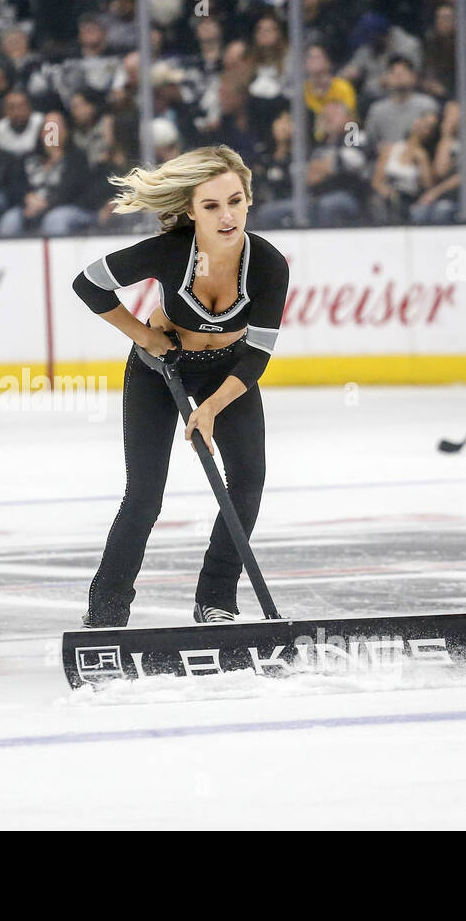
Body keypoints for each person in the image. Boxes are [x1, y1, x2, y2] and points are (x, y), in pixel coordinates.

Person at [71, 145, 289, 627]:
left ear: (249, 200)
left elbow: (257, 356)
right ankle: (106, 614)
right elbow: (88, 284)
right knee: (145, 495)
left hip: (230, 374)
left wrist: (210, 408)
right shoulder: (171, 251)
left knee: (247, 486)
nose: (226, 215)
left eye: (235, 201)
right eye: (211, 206)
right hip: (159, 368)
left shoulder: (270, 265)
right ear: (190, 211)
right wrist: (145, 335)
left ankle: (215, 601)